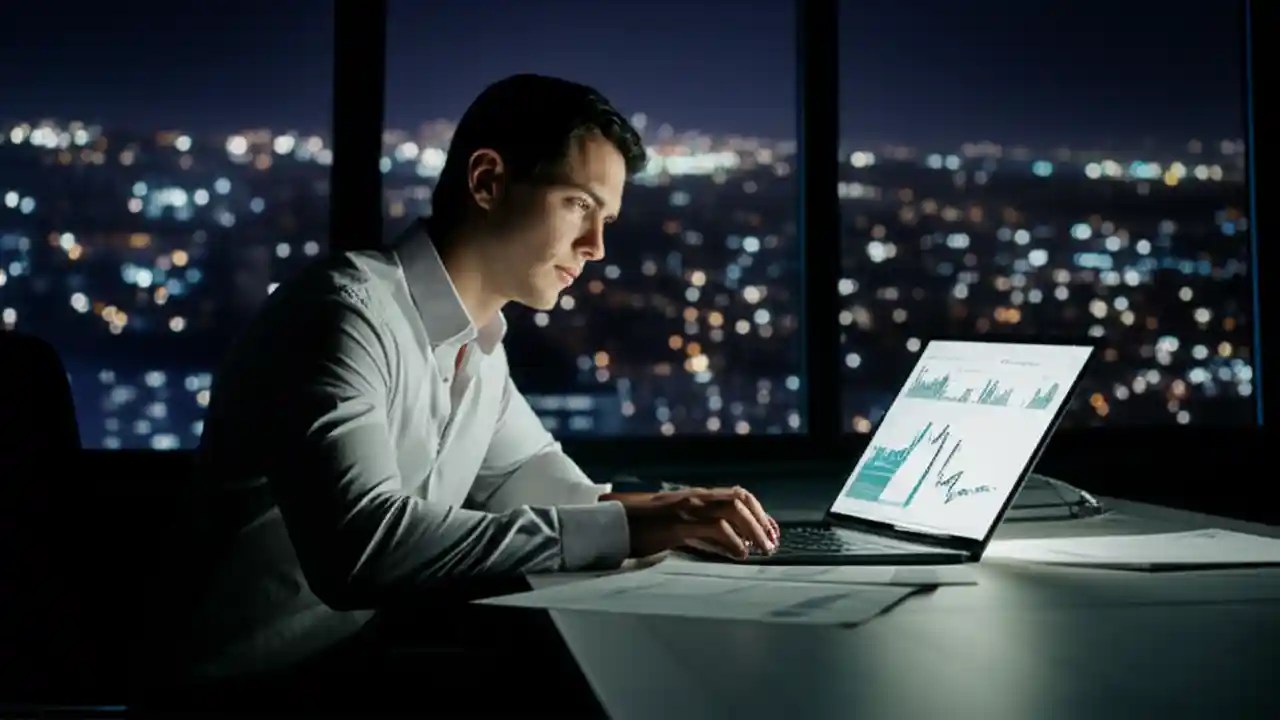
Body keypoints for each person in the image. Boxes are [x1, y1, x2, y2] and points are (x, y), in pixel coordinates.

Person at [146, 73, 780, 698]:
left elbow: (535, 482)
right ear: (487, 181)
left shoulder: (478, 348)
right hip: (232, 693)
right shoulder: (343, 318)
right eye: (579, 205)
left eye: (606, 218)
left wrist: (678, 514)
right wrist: (634, 524)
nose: (596, 246)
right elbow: (360, 553)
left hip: (338, 668)